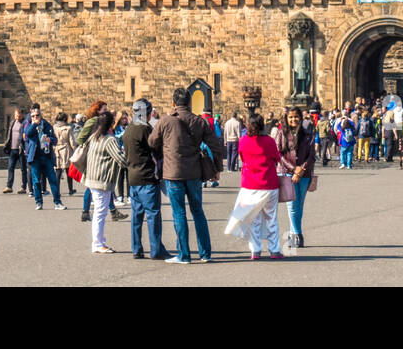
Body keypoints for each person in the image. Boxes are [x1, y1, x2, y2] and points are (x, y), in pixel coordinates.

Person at [149, 87, 224, 264]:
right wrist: (217, 169)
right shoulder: (200, 122)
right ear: (190, 103)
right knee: (198, 212)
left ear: (173, 103)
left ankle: (184, 254)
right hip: (194, 173)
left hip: (173, 172)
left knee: (179, 213)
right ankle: (205, 253)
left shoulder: (166, 121)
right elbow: (216, 146)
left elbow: (152, 142)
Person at [224, 113, 284, 260]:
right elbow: (276, 158)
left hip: (250, 185)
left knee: (254, 220)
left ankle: (255, 250)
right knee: (271, 218)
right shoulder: (269, 141)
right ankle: (274, 250)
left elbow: (242, 158)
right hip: (268, 184)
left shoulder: (243, 140)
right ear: (263, 125)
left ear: (249, 126)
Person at [121, 99, 169, 260]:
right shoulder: (145, 129)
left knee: (137, 216)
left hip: (133, 178)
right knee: (153, 214)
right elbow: (155, 150)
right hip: (147, 177)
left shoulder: (128, 129)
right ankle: (156, 250)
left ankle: (137, 248)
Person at [83, 110, 128, 253]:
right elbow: (120, 159)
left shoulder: (93, 137)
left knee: (98, 211)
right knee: (100, 212)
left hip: (92, 177)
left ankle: (98, 241)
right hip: (102, 179)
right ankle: (97, 243)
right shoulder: (109, 140)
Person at [277, 107, 315, 248]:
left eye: (296, 117)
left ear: (301, 117)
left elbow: (312, 155)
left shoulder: (307, 134)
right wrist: (294, 169)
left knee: (299, 205)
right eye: (291, 117)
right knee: (292, 206)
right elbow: (279, 155)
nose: (294, 119)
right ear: (287, 118)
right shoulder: (282, 133)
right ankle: (298, 235)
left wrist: (301, 169)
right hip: (287, 173)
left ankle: (293, 235)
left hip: (304, 174)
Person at [23, 107, 66, 210]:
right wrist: (34, 124)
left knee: (53, 180)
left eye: (37, 115)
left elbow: (55, 140)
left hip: (46, 156)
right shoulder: (29, 125)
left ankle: (57, 202)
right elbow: (27, 134)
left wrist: (49, 139)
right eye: (33, 116)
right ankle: (39, 202)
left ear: (40, 115)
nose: (35, 117)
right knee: (36, 181)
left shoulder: (47, 125)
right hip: (35, 157)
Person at [3, 108, 28, 194]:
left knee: (23, 169)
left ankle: (24, 187)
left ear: (22, 115)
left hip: (21, 149)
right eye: (16, 115)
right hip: (12, 149)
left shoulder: (25, 123)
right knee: (10, 168)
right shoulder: (12, 123)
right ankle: (9, 186)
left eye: (19, 115)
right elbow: (9, 134)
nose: (17, 117)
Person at [53, 112, 76, 195]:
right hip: (66, 150)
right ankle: (70, 189)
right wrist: (75, 150)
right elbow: (72, 141)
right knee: (68, 171)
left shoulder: (54, 127)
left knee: (58, 171)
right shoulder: (68, 128)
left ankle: (57, 190)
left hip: (57, 149)